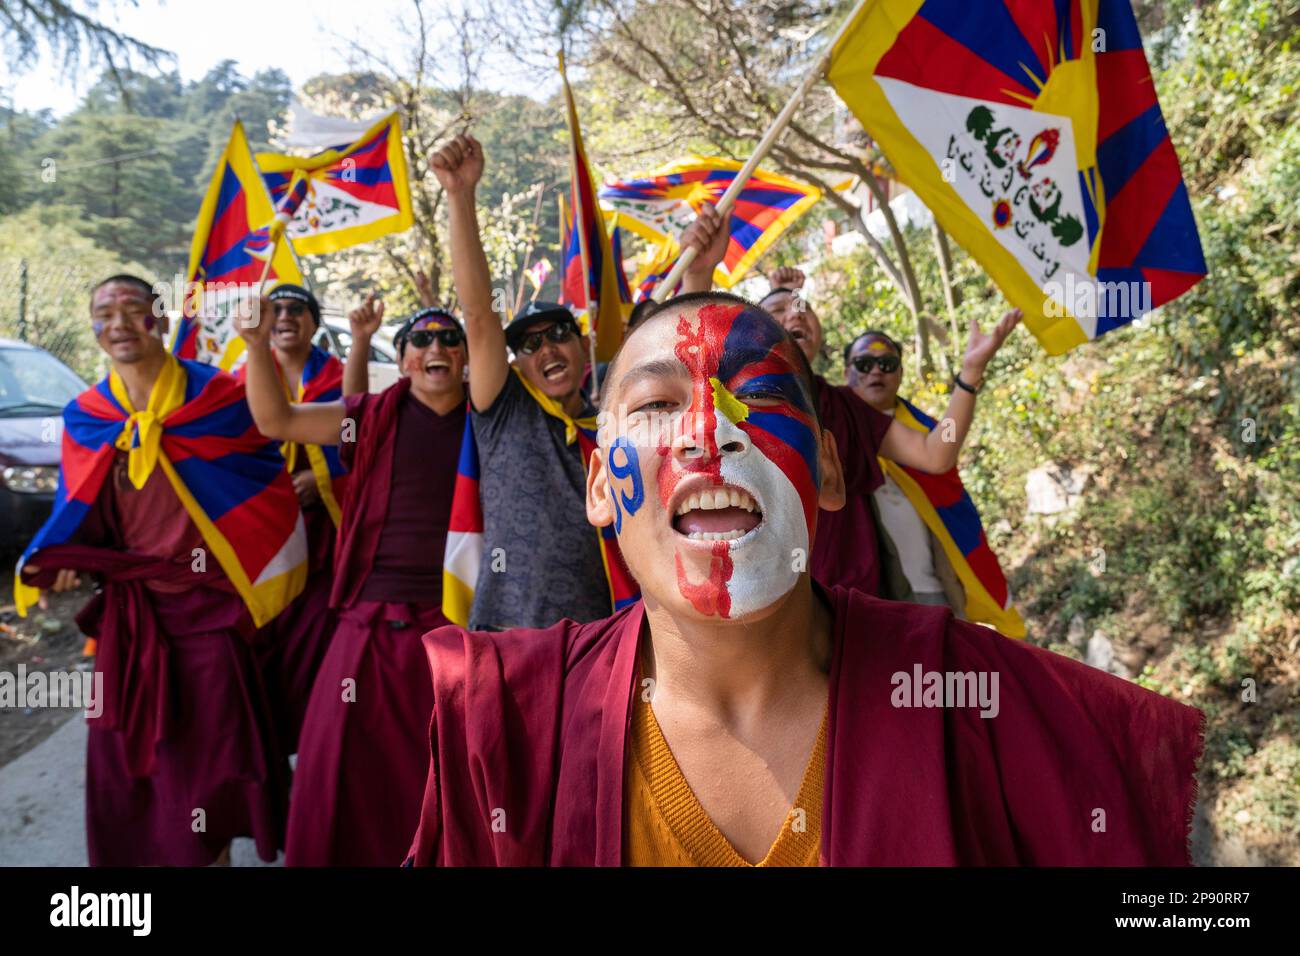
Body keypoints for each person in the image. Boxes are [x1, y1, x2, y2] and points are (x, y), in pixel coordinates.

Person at [404, 292, 1203, 866]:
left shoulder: (973, 694)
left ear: (828, 467)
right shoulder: (501, 721)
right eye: (655, 403)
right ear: (600, 487)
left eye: (755, 396)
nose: (708, 430)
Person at [17, 274, 307, 866]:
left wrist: (256, 350)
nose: (118, 323)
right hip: (134, 615)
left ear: (161, 318)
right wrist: (67, 563)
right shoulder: (88, 415)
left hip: (208, 608)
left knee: (211, 767)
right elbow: (78, 510)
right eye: (104, 312)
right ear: (94, 329)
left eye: (132, 309)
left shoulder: (217, 399)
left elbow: (263, 478)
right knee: (131, 761)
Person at [430, 133, 722, 630]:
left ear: (579, 346)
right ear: (516, 363)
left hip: (604, 641)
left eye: (560, 334)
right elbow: (480, 317)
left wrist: (699, 277)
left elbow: (686, 373)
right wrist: (459, 196)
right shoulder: (503, 412)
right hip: (505, 635)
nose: (546, 348)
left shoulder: (614, 423)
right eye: (529, 343)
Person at [237, 293, 469, 866]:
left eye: (449, 339)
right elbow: (277, 419)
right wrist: (253, 345)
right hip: (371, 615)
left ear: (468, 357)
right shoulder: (370, 416)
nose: (435, 347)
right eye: (421, 339)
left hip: (460, 619)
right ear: (405, 357)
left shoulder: (489, 419)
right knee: (340, 763)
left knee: (448, 771)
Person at [758, 267, 1020, 599]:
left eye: (803, 308)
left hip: (862, 597)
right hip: (782, 602)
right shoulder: (737, 401)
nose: (796, 313)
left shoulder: (845, 406)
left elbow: (935, 454)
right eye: (777, 312)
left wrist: (969, 377)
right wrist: (701, 272)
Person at [235, 283, 355, 754]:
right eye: (276, 308)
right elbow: (229, 458)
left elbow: (358, 443)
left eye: (296, 310)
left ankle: (318, 740)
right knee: (267, 638)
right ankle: (269, 745)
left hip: (327, 534)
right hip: (263, 537)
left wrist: (319, 482)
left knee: (316, 642)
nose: (284, 317)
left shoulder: (341, 375)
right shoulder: (237, 381)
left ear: (314, 322)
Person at [843, 328, 1024, 635]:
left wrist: (970, 375)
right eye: (864, 364)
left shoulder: (922, 430)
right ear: (847, 372)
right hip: (859, 594)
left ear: (900, 373)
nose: (876, 371)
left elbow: (942, 455)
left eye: (886, 364)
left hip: (933, 590)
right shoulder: (831, 427)